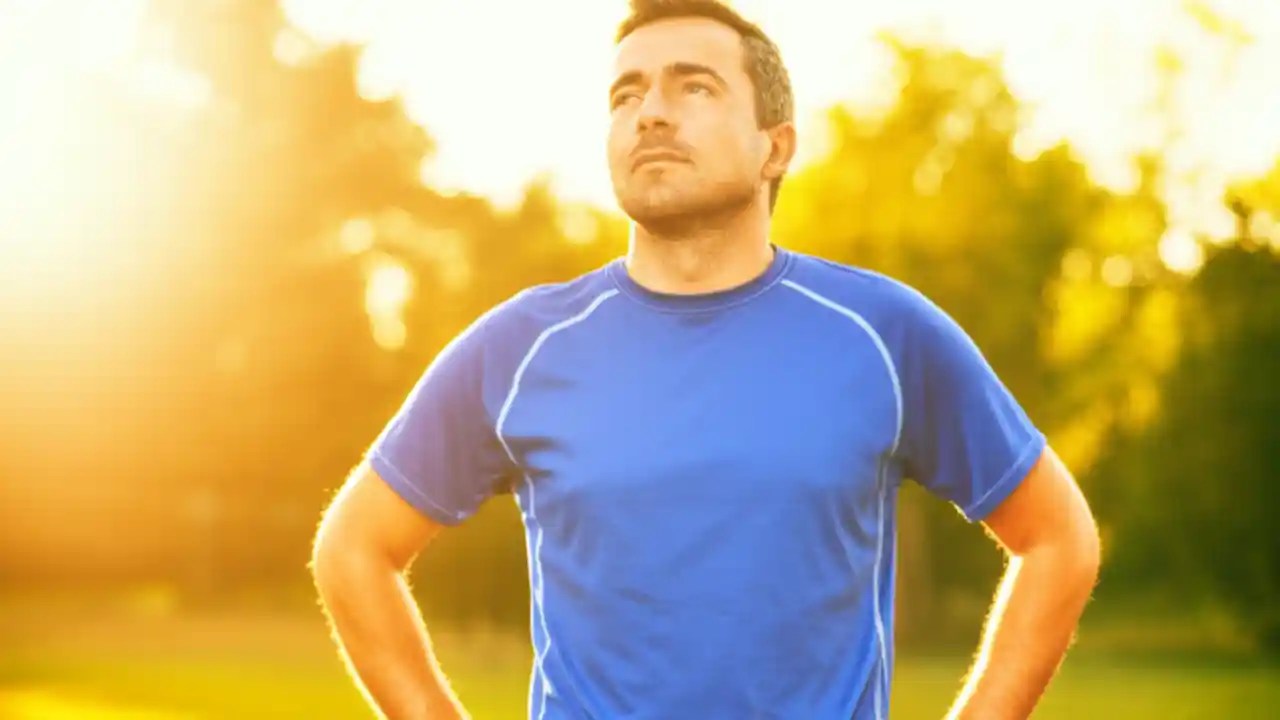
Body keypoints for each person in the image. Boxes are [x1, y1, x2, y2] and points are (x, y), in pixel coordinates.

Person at [309, 1, 1102, 718]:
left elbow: (1058, 537)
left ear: (774, 148)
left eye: (694, 86)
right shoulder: (519, 347)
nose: (651, 112)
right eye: (626, 95)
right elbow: (354, 549)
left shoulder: (883, 335)